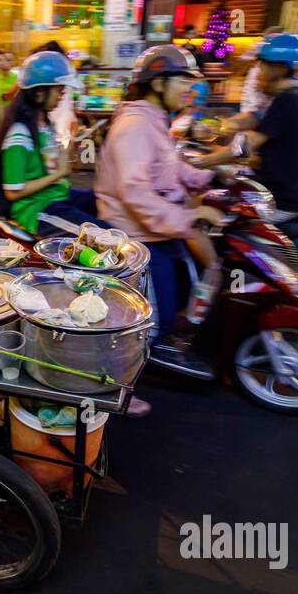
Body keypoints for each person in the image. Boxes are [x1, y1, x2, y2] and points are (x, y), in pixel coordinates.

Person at [95, 44, 221, 378]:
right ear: (158, 83)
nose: (189, 89)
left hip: (161, 226)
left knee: (196, 278)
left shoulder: (154, 120)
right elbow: (135, 191)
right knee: (156, 316)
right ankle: (123, 378)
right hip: (137, 234)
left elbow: (171, 168)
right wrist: (190, 217)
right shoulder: (135, 126)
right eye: (183, 81)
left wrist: (209, 178)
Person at [196, 32, 298, 213]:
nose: (256, 73)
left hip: (277, 201)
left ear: (281, 68)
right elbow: (251, 118)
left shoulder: (287, 101)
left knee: (207, 209)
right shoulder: (283, 97)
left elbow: (244, 147)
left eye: (262, 66)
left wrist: (199, 162)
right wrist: (214, 128)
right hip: (273, 191)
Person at [0, 50, 108, 238]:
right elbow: (13, 191)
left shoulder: (45, 125)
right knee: (104, 237)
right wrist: (59, 173)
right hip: (38, 210)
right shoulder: (19, 134)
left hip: (58, 196)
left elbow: (52, 166)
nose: (62, 96)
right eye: (59, 90)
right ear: (39, 92)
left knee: (105, 200)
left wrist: (71, 150)